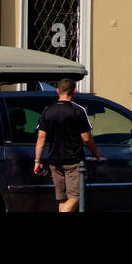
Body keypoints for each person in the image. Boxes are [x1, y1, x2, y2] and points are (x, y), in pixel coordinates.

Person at [34, 78, 102, 213]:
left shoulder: (48, 110)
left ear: (57, 91)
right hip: (73, 161)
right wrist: (95, 153)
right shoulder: (78, 110)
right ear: (74, 92)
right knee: (76, 197)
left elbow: (41, 137)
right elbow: (86, 139)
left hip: (54, 161)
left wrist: (37, 161)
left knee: (63, 200)